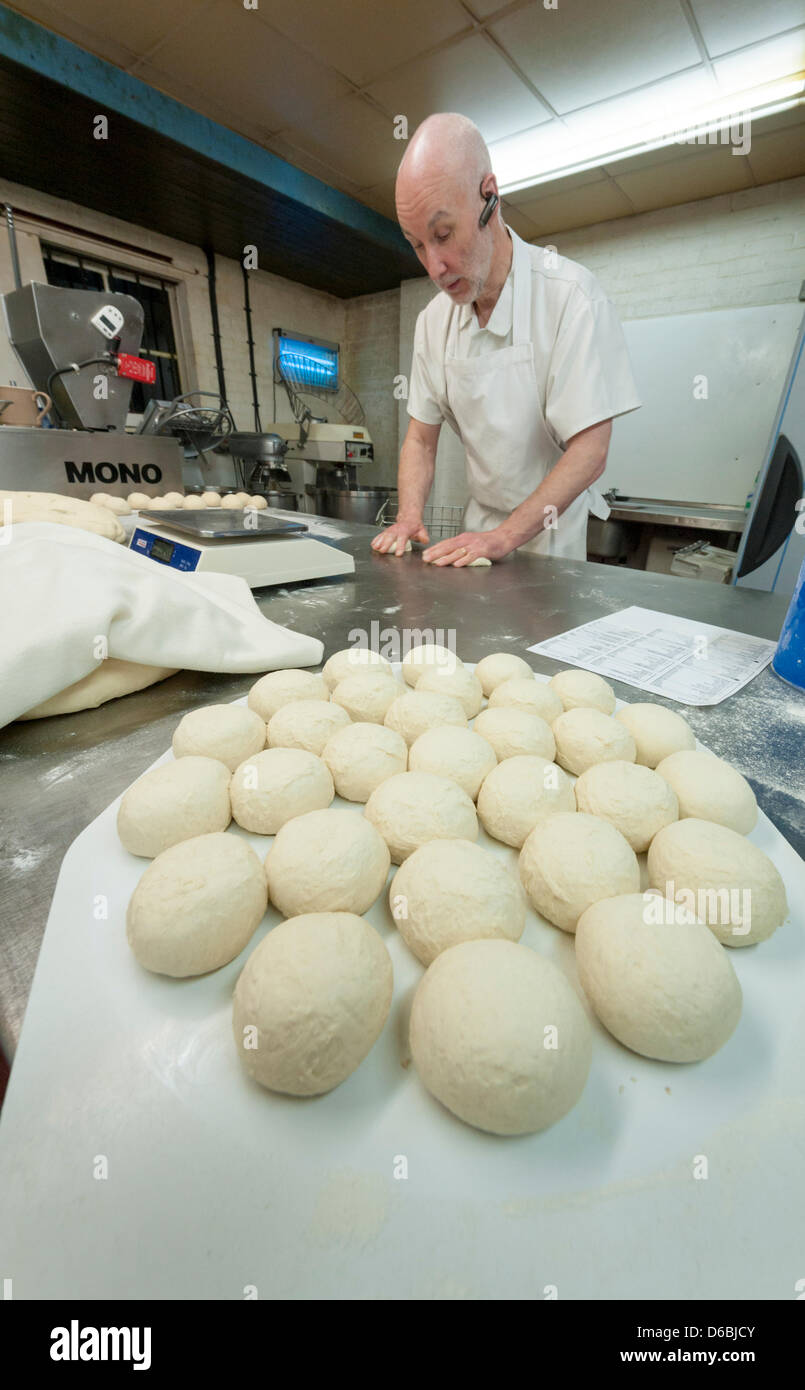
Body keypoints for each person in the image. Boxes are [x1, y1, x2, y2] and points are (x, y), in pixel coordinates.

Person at [372, 112, 642, 567]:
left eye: (443, 234)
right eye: (417, 244)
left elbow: (591, 450)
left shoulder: (570, 296)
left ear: (489, 198)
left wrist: (503, 538)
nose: (434, 267)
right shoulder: (433, 322)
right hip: (476, 539)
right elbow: (420, 438)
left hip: (553, 544)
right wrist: (409, 515)